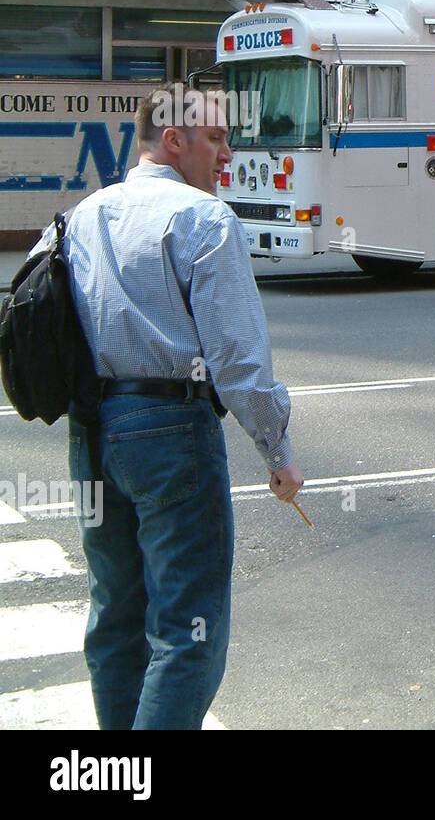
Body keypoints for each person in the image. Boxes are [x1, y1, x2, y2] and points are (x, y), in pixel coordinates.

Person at [36, 87, 304, 730]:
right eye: (215, 139)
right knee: (189, 629)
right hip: (171, 430)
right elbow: (240, 360)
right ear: (174, 140)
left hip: (92, 431)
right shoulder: (206, 220)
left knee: (115, 618)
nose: (228, 155)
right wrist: (278, 453)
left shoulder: (78, 218)